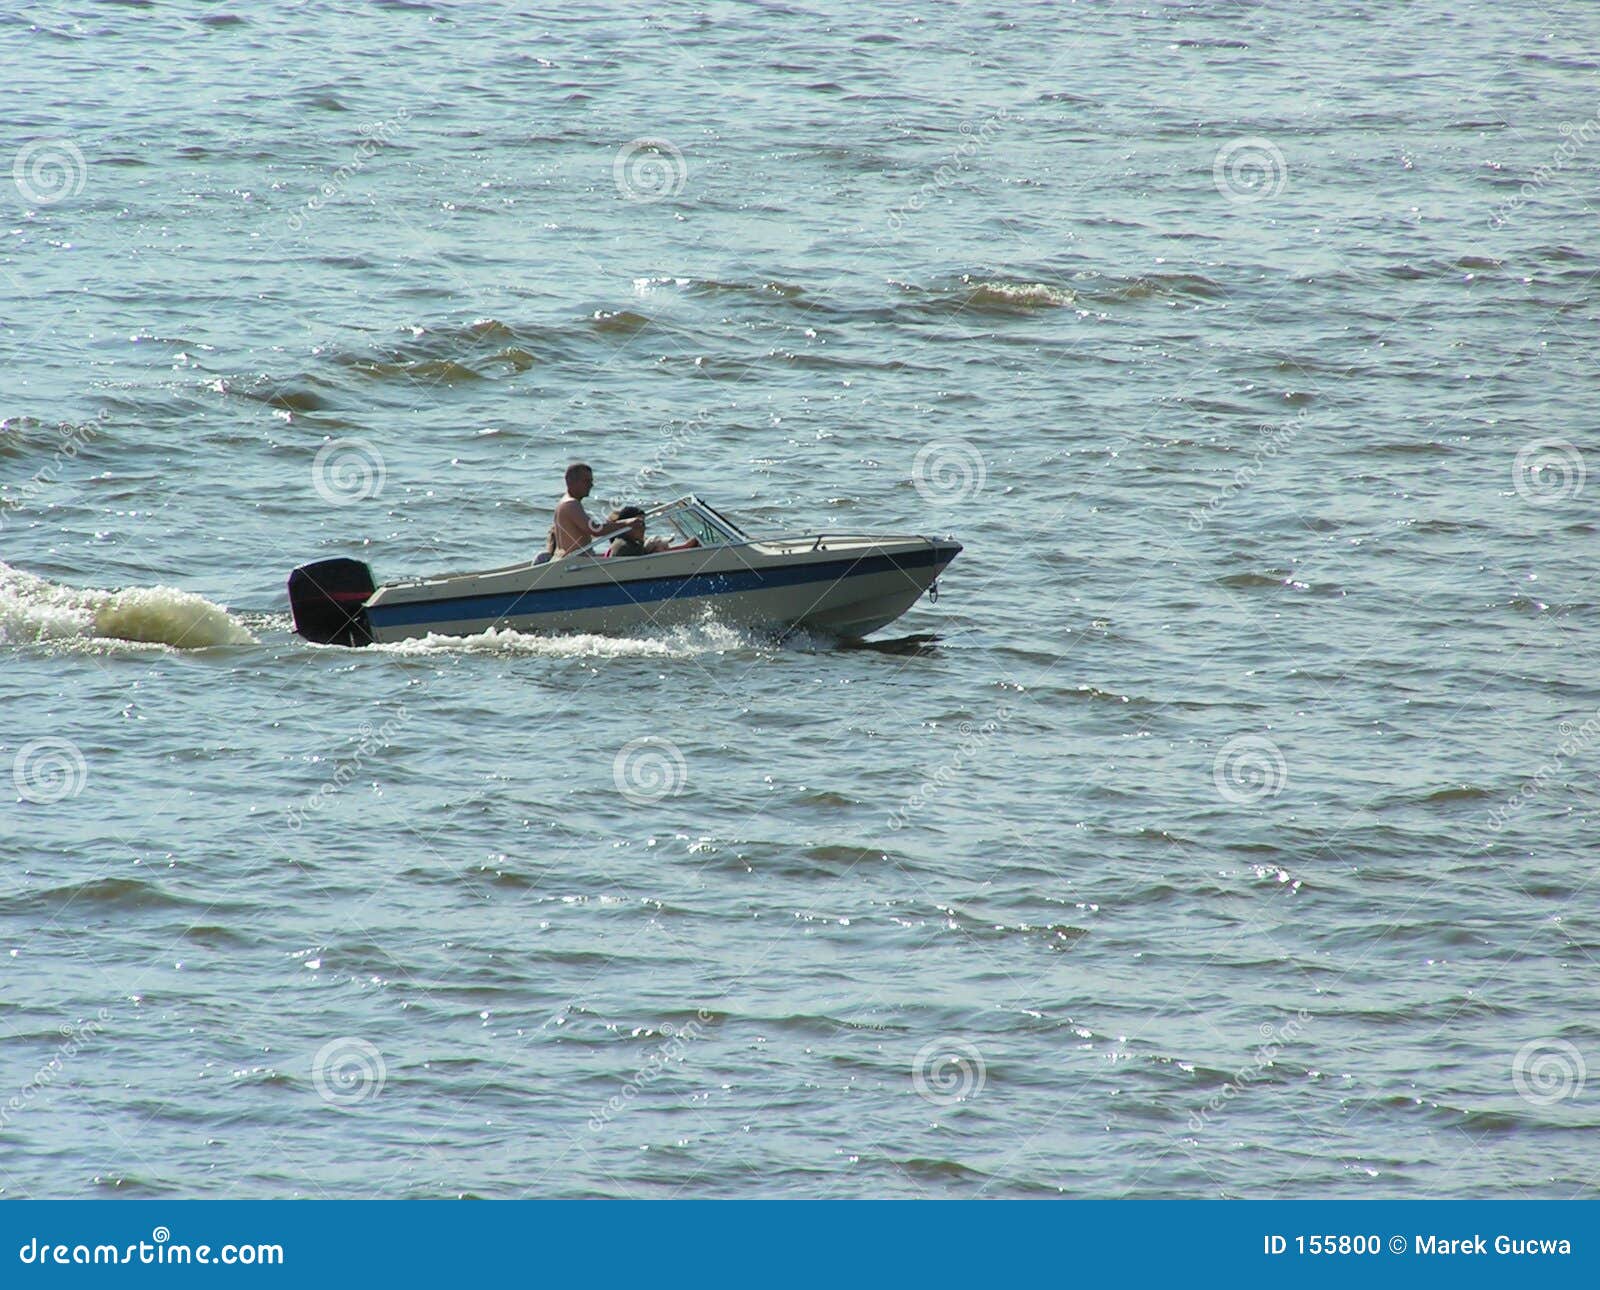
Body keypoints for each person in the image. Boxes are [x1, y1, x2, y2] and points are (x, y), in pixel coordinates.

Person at [551, 463, 636, 557]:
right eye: (586, 481)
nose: (591, 485)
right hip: (575, 562)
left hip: (575, 559)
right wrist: (627, 524)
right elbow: (595, 530)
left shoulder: (565, 502)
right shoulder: (571, 504)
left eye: (591, 481)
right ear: (570, 482)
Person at [604, 505, 700, 558]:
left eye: (644, 524)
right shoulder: (627, 547)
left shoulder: (629, 541)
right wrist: (687, 546)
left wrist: (686, 546)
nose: (644, 528)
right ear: (627, 525)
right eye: (639, 524)